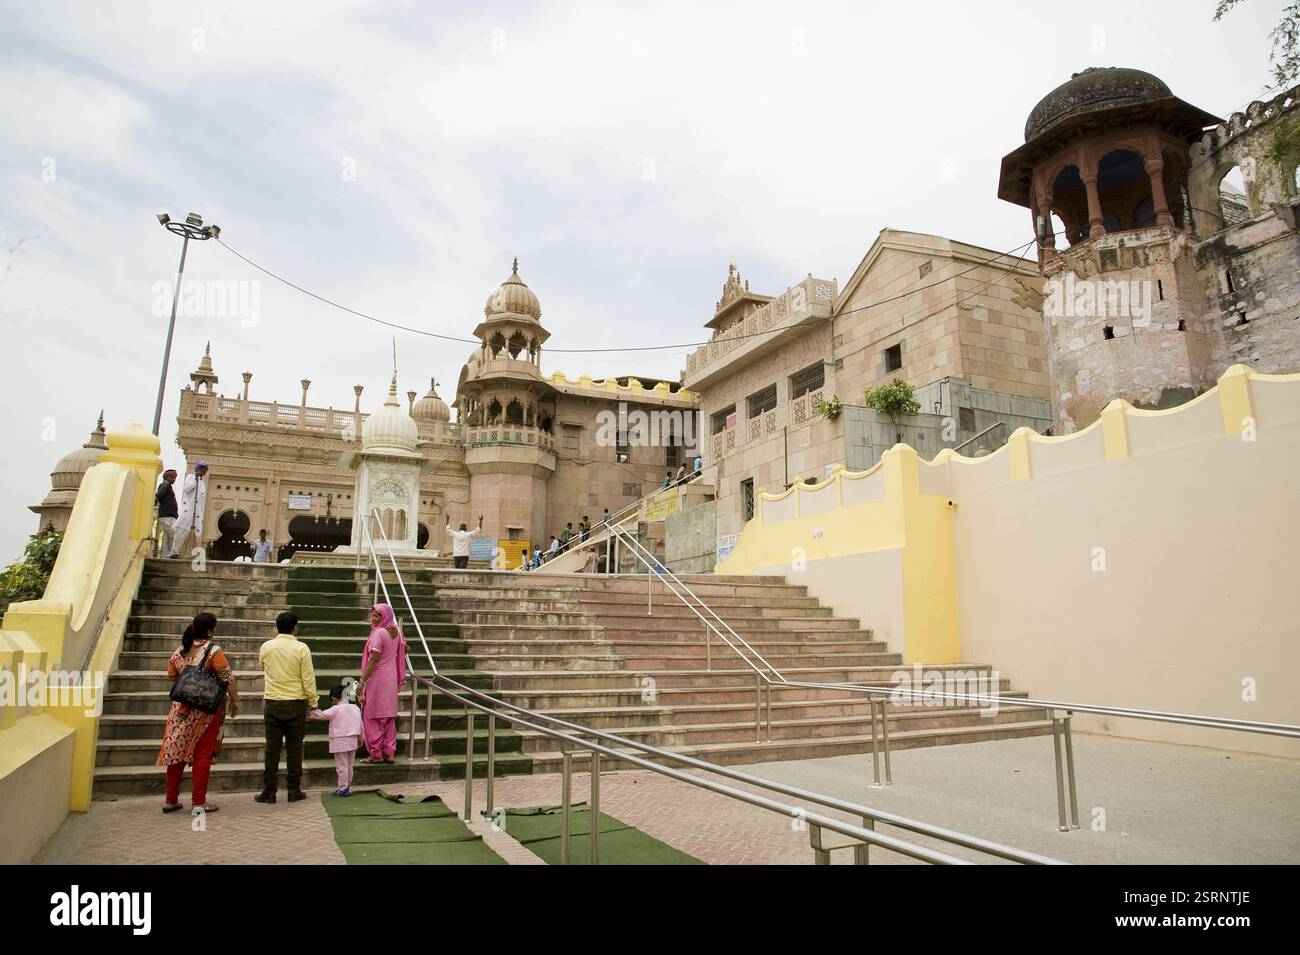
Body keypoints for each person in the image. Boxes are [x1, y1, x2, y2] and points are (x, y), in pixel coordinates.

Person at [157, 612, 239, 815]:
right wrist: (235, 700)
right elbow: (226, 677)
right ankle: (198, 802)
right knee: (203, 754)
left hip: (179, 710)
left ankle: (170, 799)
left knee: (176, 752)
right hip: (205, 711)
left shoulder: (178, 652)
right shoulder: (213, 651)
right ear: (210, 630)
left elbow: (171, 677)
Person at [256, 611, 319, 803]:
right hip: (295, 703)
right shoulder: (302, 648)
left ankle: (269, 791)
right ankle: (293, 789)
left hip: (273, 702)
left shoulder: (266, 647)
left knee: (272, 749)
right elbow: (308, 678)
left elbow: (262, 668)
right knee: (294, 748)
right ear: (294, 626)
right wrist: (313, 701)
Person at [358, 603, 407, 764]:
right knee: (387, 715)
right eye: (372, 615)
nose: (373, 618)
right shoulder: (396, 631)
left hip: (377, 678)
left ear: (384, 617)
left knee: (372, 715)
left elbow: (373, 660)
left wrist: (362, 682)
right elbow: (405, 649)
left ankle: (376, 754)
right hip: (391, 678)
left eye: (377, 616)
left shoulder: (378, 633)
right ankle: (389, 752)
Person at [309, 682, 362, 796]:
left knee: (341, 766)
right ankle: (347, 786)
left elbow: (321, 715)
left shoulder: (335, 709)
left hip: (340, 742)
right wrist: (360, 739)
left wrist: (310, 712)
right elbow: (361, 724)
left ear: (333, 699)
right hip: (353, 741)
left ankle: (343, 789)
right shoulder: (355, 708)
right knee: (349, 765)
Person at [169, 461, 209, 558]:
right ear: (197, 469)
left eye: (205, 470)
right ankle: (174, 552)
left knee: (194, 533)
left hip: (197, 513)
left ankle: (187, 554)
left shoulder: (203, 483)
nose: (203, 471)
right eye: (202, 469)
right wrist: (195, 479)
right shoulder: (190, 478)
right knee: (181, 531)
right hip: (188, 510)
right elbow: (187, 489)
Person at [155, 469, 179, 558]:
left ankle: (165, 556)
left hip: (169, 516)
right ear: (166, 477)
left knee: (167, 537)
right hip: (166, 516)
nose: (173, 479)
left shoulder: (168, 486)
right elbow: (159, 495)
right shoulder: (165, 484)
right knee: (173, 534)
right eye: (171, 477)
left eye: (174, 478)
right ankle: (172, 553)